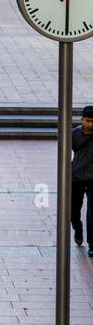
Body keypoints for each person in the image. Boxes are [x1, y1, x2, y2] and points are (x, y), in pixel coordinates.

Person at [71, 107, 93, 254]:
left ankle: (92, 244)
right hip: (76, 176)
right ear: (82, 120)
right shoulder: (74, 134)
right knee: (73, 210)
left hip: (92, 177)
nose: (91, 124)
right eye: (88, 121)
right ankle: (78, 228)